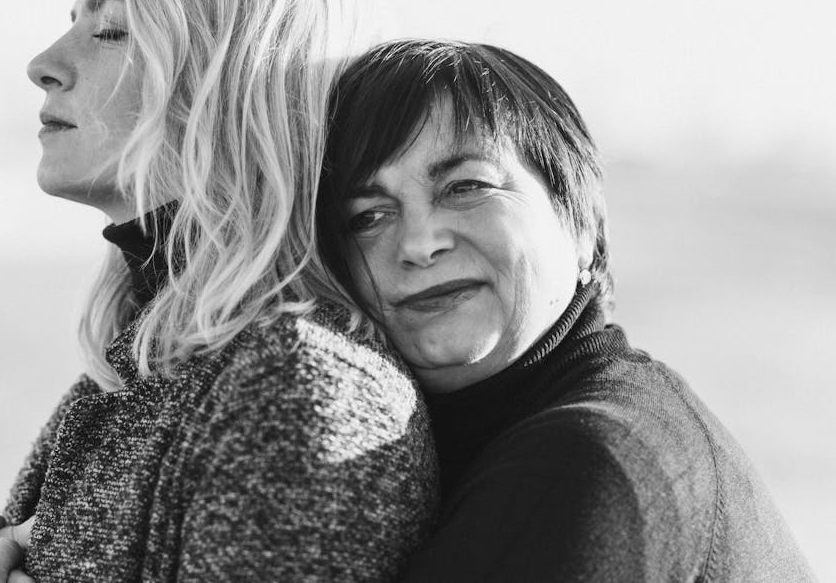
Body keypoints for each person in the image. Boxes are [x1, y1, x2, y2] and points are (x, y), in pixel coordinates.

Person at [0, 0, 438, 581]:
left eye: (111, 30)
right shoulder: (134, 369)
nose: (43, 64)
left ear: (233, 76)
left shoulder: (293, 390)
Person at [316, 38, 815, 580]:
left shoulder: (583, 463)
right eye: (368, 216)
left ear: (581, 226)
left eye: (466, 187)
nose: (417, 242)